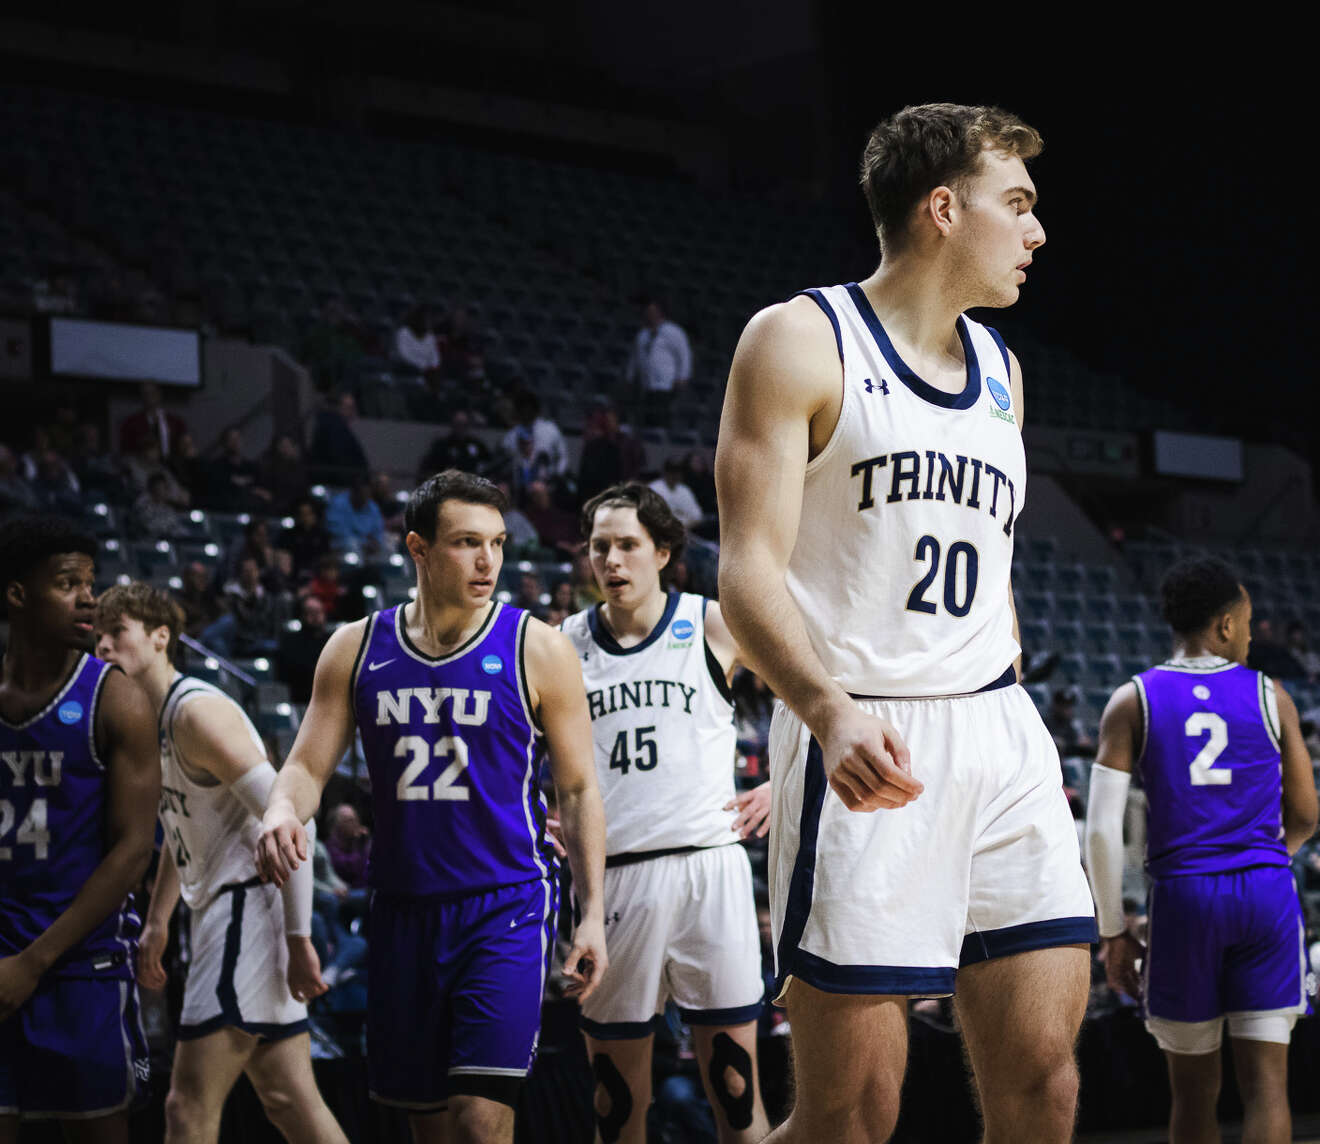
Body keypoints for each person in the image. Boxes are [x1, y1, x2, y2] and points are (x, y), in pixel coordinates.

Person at [716, 103, 1089, 1144]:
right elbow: (746, 571)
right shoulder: (800, 338)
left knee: (1045, 1082)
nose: (1036, 230)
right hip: (862, 734)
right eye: (1015, 203)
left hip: (1000, 736)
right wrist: (822, 715)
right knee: (850, 1116)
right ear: (941, 208)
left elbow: (995, 567)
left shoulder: (1005, 370)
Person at [254, 471, 610, 1140]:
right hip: (402, 908)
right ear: (418, 549)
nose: (489, 562)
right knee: (429, 1129)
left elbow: (581, 789)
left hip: (505, 904)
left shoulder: (538, 646)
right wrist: (281, 809)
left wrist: (592, 914)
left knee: (481, 1122)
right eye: (467, 543)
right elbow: (305, 764)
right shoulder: (355, 647)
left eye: (498, 543)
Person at [92, 583, 348, 1144]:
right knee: (290, 1102)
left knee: (186, 1108)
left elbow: (293, 821)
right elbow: (180, 829)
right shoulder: (147, 720)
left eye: (117, 633)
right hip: (228, 910)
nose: (103, 647)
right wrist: (158, 922)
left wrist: (299, 936)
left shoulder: (197, 713)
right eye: (97, 637)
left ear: (161, 638)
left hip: (248, 912)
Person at [560, 483, 774, 1143]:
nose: (613, 561)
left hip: (710, 869)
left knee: (736, 1091)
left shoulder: (711, 621)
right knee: (615, 1104)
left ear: (663, 552)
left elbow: (810, 682)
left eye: (628, 546)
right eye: (601, 548)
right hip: (616, 878)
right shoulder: (561, 644)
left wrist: (782, 784)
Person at [1088, 556, 1317, 1144]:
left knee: (1193, 1093)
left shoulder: (1132, 698)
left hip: (1184, 896)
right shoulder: (1272, 694)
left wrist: (1114, 931)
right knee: (1267, 1088)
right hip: (1264, 892)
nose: (1248, 633)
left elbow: (1099, 830)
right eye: (1246, 622)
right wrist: (1269, 859)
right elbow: (1308, 814)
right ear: (1223, 625)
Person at [0, 515, 161, 1129]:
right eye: (68, 583)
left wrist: (34, 961)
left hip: (82, 969)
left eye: (90, 582)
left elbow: (131, 852)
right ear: (17, 595)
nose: (89, 597)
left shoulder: (115, 699)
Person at [626, 299, 692, 430]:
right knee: (645, 419)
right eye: (648, 312)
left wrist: (683, 376)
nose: (651, 315)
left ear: (660, 313)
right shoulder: (642, 335)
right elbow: (635, 358)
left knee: (661, 418)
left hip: (665, 384)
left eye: (653, 311)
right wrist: (630, 377)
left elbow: (684, 355)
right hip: (646, 384)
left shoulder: (673, 332)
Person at [306, 393, 370, 489]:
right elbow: (339, 457)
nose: (353, 412)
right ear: (339, 407)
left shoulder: (332, 426)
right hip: (336, 485)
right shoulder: (335, 428)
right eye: (349, 408)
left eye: (353, 408)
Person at [117, 381, 187, 458]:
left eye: (152, 393)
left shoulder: (176, 422)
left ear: (159, 394)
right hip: (142, 466)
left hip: (171, 465)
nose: (149, 397)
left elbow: (184, 447)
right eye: (146, 394)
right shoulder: (131, 423)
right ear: (142, 396)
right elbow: (126, 452)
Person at [420, 411, 491, 480]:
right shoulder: (442, 445)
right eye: (458, 424)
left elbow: (488, 463)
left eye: (464, 425)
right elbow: (431, 467)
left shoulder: (477, 445)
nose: (461, 428)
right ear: (453, 425)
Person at [647, 459, 704, 532]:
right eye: (671, 472)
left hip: (684, 532)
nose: (674, 475)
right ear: (665, 472)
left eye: (677, 472)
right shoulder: (654, 488)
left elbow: (697, 516)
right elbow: (649, 516)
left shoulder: (685, 490)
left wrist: (682, 528)